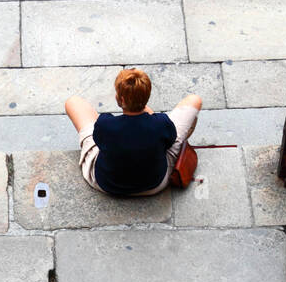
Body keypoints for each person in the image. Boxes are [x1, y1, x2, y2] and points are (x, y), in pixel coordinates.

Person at [64, 68, 201, 196]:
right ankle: (142, 110)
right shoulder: (162, 123)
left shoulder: (105, 124)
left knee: (72, 102)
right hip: (154, 184)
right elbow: (170, 142)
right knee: (195, 100)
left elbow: (98, 141)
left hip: (107, 184)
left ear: (121, 99)